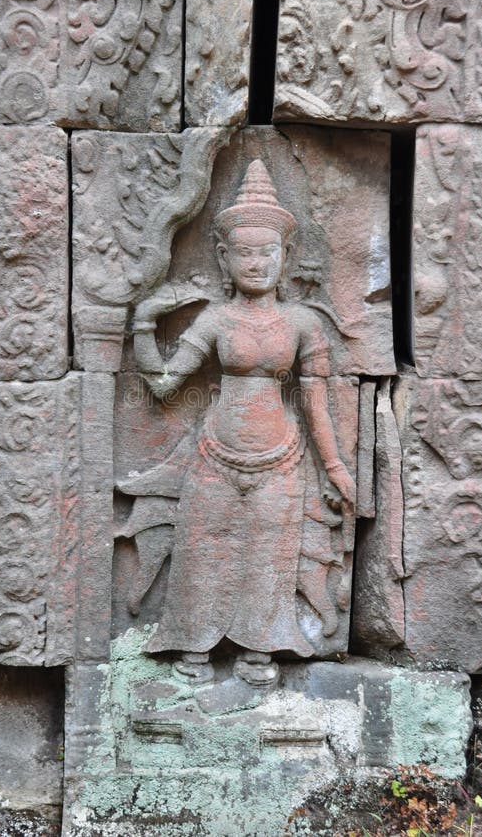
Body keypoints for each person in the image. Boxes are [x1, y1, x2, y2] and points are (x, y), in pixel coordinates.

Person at [120, 160, 355, 685]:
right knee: (201, 552)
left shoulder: (302, 323)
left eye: (267, 252)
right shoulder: (215, 320)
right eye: (244, 253)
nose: (256, 263)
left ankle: (260, 648)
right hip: (214, 453)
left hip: (282, 455)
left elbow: (316, 400)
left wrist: (335, 465)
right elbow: (162, 384)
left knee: (271, 555)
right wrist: (144, 321)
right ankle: (193, 646)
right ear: (225, 258)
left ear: (286, 257)